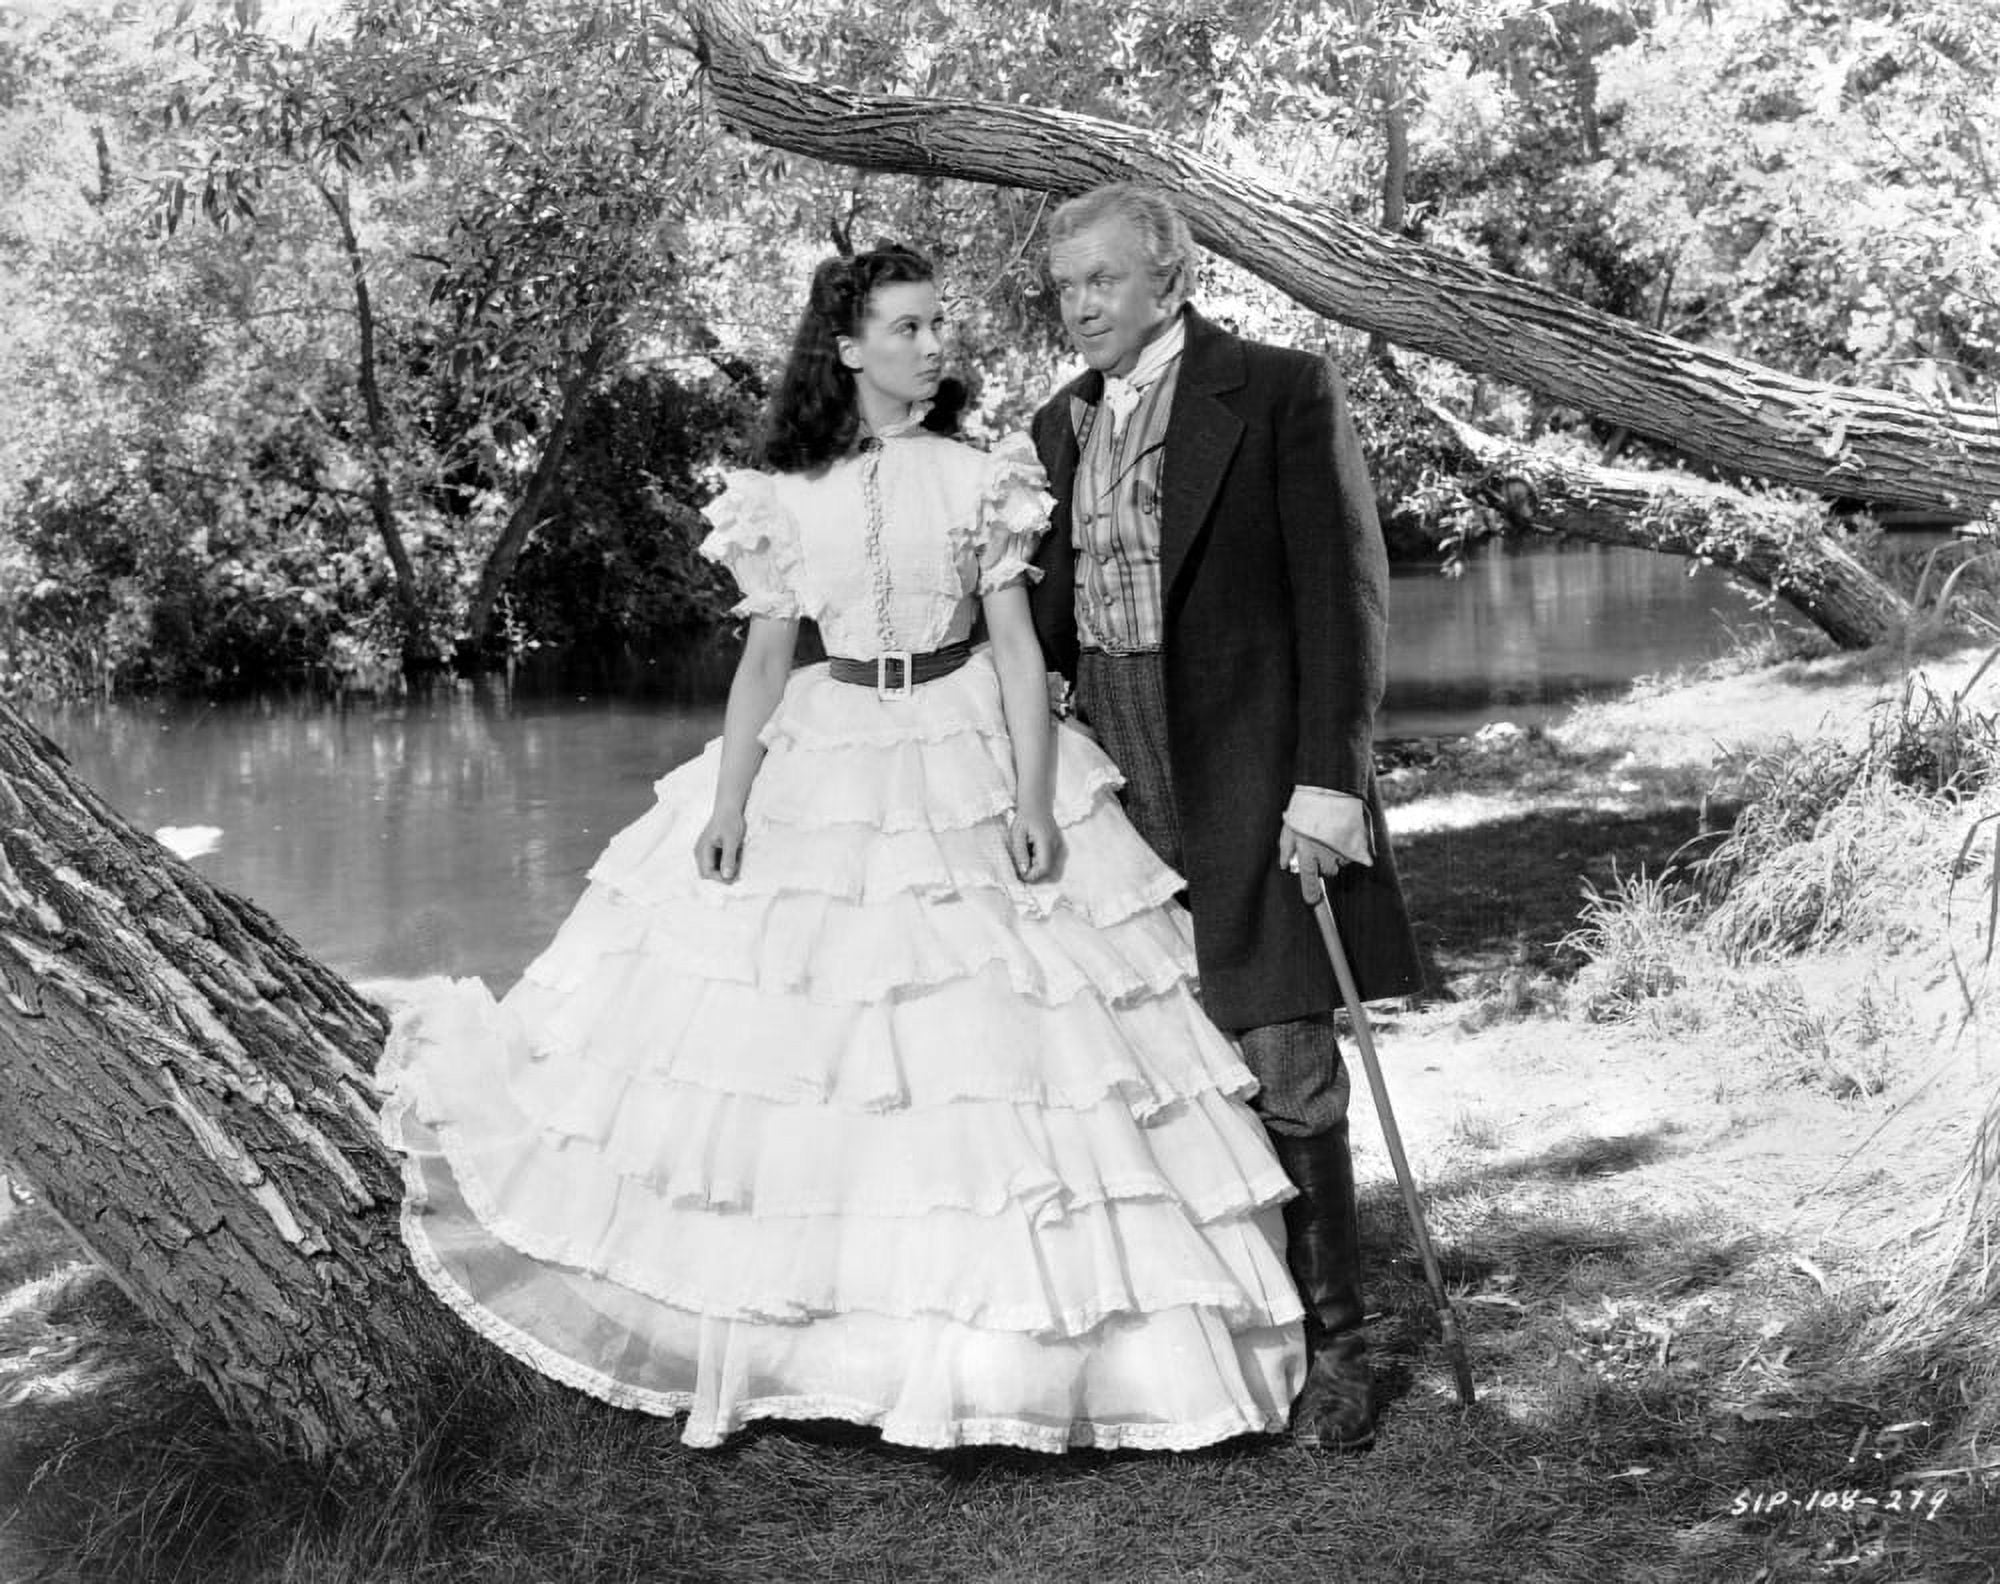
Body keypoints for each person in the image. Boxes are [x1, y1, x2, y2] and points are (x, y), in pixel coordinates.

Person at [376, 242, 1310, 1453]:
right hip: (831, 740)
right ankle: (823, 1332)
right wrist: (727, 799)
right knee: (808, 1046)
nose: (936, 346)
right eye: (909, 328)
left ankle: (1031, 1337)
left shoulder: (990, 476)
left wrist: (1031, 797)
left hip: (965, 737)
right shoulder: (778, 495)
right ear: (848, 348)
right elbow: (766, 658)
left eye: (937, 326)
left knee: (997, 1034)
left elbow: (1021, 650)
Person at [1027, 185, 1424, 1451]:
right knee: (1156, 1056)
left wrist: (1326, 784)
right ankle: (1220, 1339)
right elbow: (1040, 622)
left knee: (1280, 1045)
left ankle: (1340, 1345)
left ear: (1170, 276)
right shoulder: (1054, 426)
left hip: (1248, 753)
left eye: (1100, 279)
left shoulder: (1278, 388)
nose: (1080, 304)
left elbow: (1343, 597)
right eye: (1065, 286)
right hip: (1111, 755)